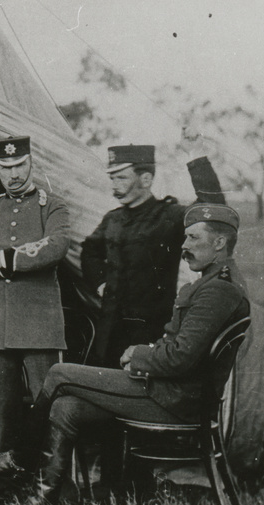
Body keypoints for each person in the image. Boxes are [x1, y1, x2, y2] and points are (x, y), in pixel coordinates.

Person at [23, 203, 249, 505]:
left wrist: (138, 354)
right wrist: (147, 354)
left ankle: (17, 456)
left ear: (220, 243)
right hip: (170, 393)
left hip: (172, 400)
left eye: (194, 238)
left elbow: (180, 357)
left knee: (59, 374)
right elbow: (184, 347)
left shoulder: (218, 290)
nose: (184, 246)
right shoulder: (216, 282)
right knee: (66, 406)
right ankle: (39, 504)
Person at [0, 136, 71, 478]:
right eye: (5, 168)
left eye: (19, 166)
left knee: (48, 401)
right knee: (3, 405)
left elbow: (56, 246)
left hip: (40, 322)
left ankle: (51, 477)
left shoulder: (51, 206)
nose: (13, 174)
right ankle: (6, 473)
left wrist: (4, 258)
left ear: (31, 164)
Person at [81, 146, 226, 368]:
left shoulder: (170, 216)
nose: (114, 185)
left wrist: (196, 157)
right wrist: (101, 284)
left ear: (146, 179)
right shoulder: (113, 219)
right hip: (108, 335)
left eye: (121, 177)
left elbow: (213, 207)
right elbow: (90, 251)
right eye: (112, 178)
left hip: (151, 333)